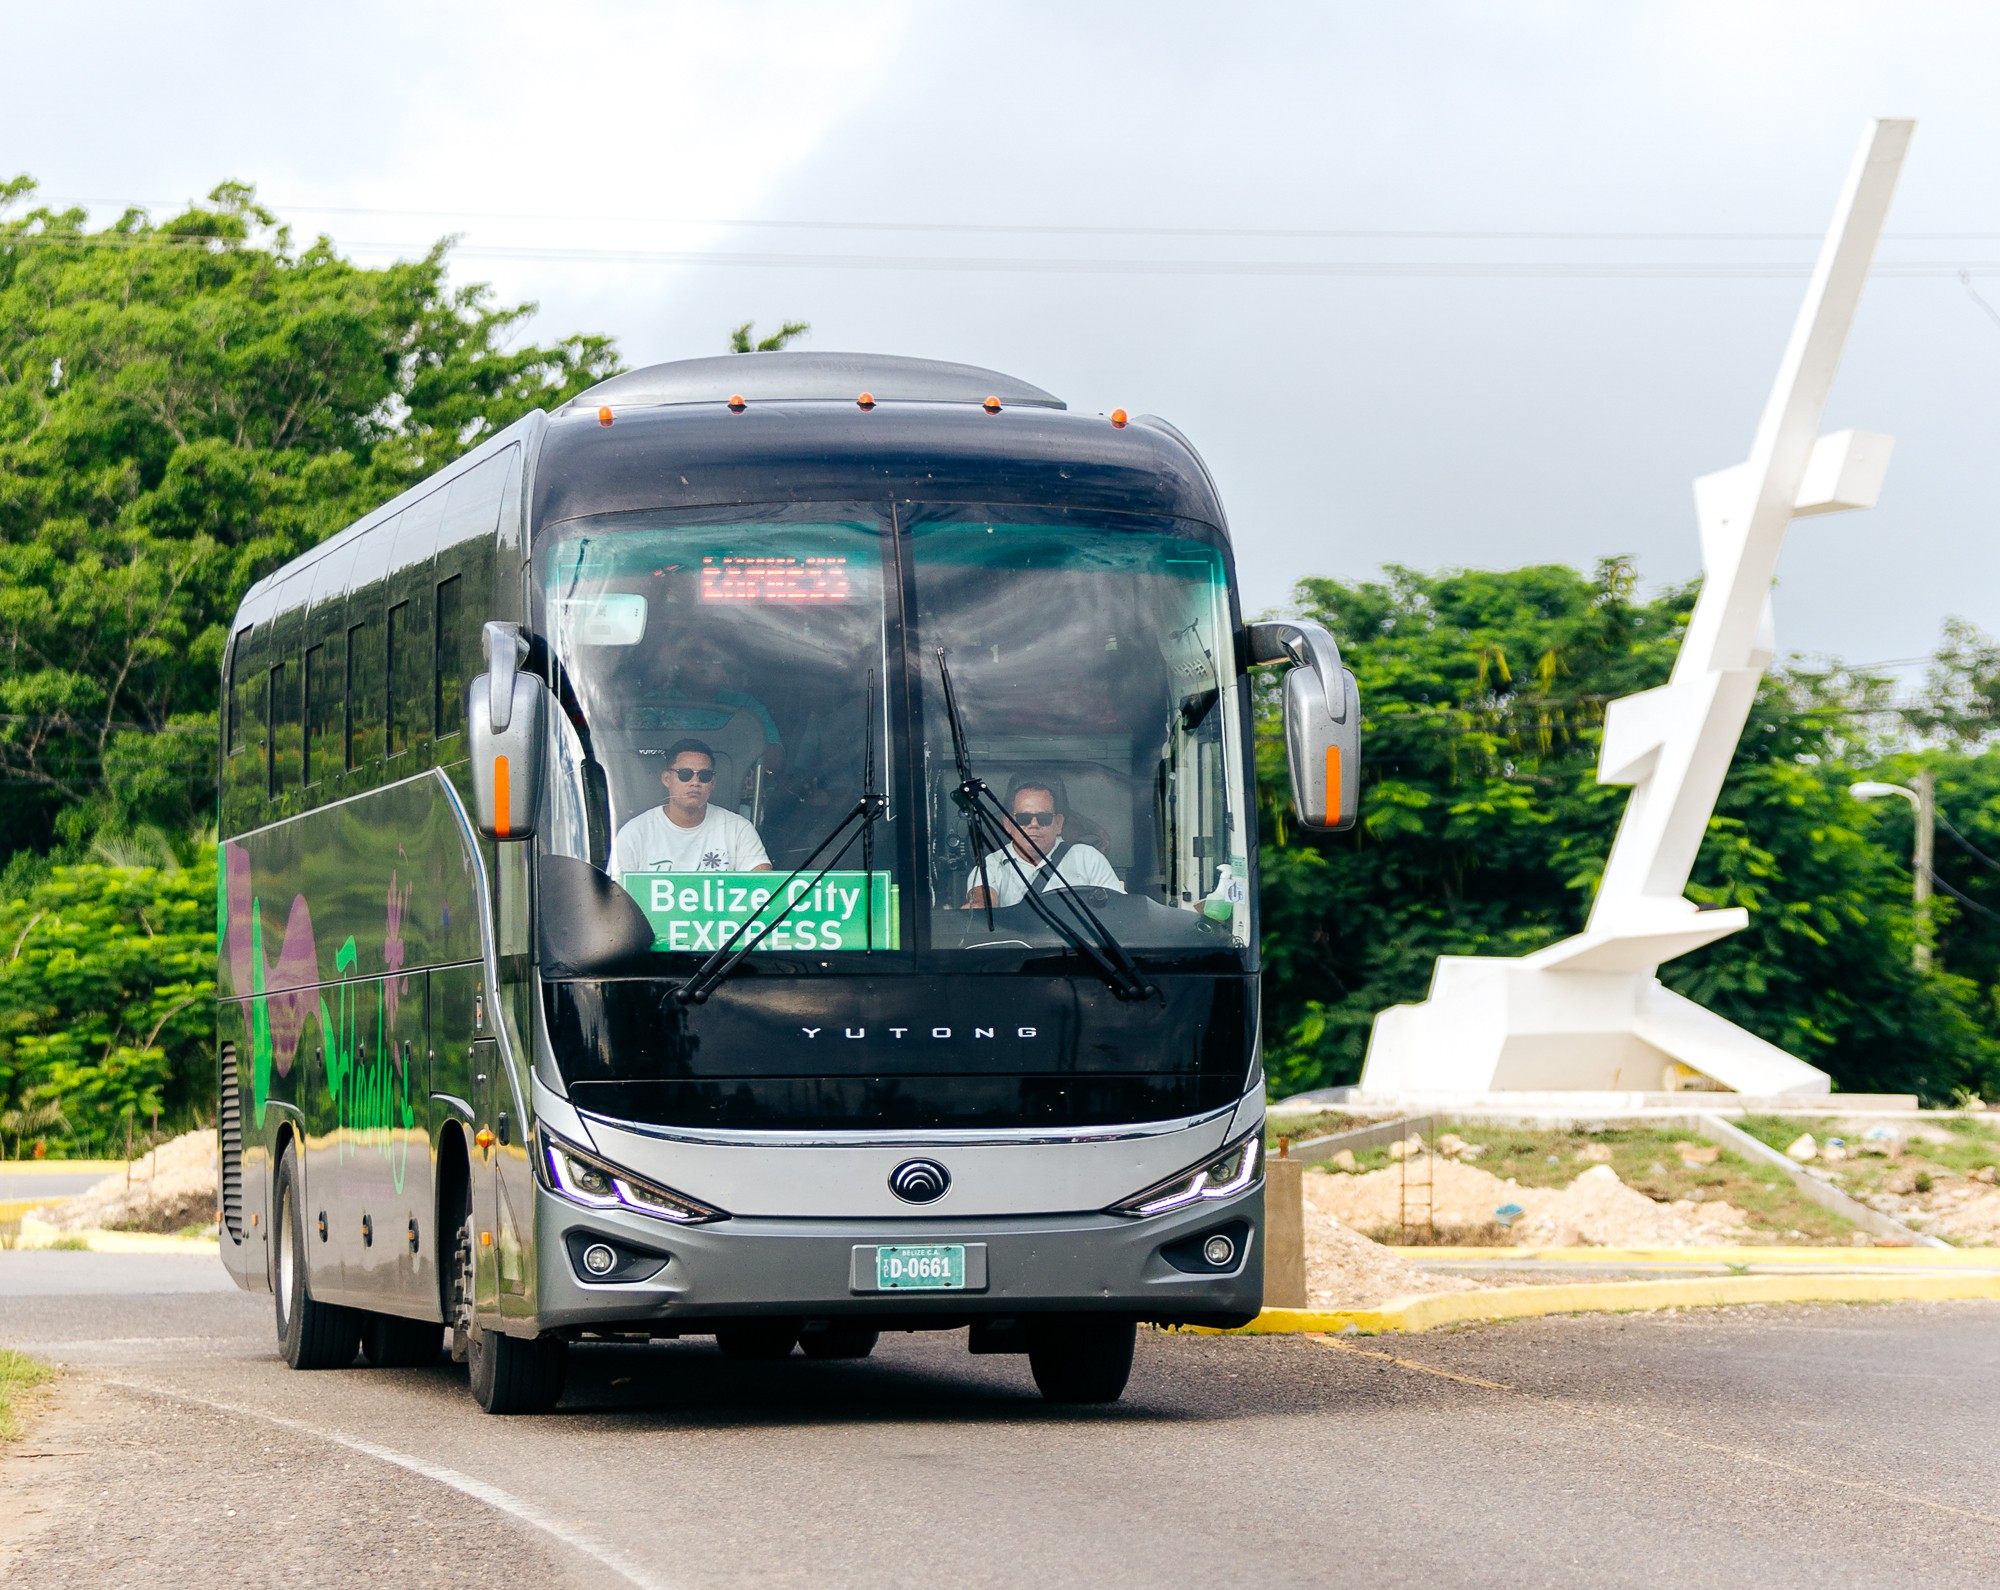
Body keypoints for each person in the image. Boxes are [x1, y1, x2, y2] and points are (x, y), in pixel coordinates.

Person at [610, 739, 773, 874]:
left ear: (713, 783)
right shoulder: (634, 833)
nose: (695, 782)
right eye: (685, 774)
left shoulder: (738, 829)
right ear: (667, 779)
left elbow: (761, 890)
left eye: (704, 776)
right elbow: (615, 899)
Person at [964, 778, 1123, 909]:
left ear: (1058, 823)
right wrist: (980, 904)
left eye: (1044, 818)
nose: (1034, 824)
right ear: (1008, 824)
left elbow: (1118, 909)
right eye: (1024, 818)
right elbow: (981, 899)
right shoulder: (990, 866)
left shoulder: (1089, 858)